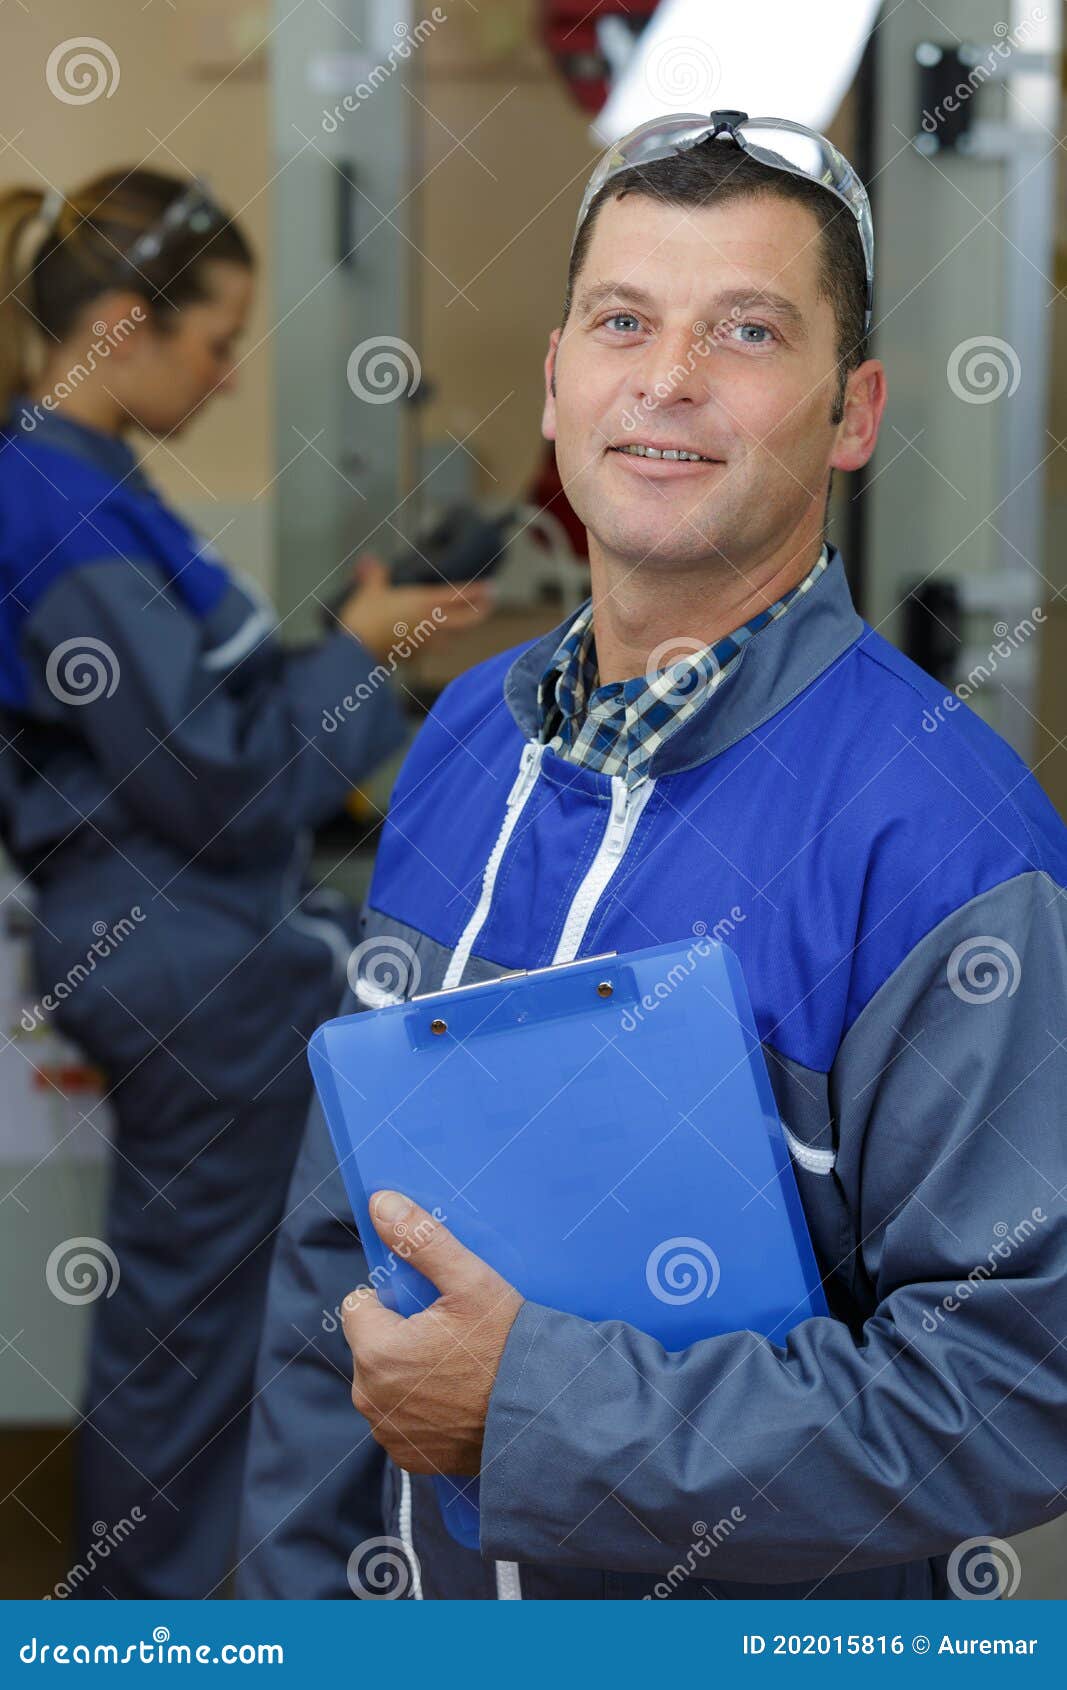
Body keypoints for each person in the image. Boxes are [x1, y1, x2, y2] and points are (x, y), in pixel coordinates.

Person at [236, 113, 1067, 1601]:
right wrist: (298, 1619)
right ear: (559, 377)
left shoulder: (949, 845)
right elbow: (334, 1252)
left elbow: (1014, 1385)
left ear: (855, 412)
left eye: (747, 331)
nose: (668, 378)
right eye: (625, 321)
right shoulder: (466, 746)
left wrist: (537, 1414)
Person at [0, 169, 488, 1598]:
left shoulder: (90, 483)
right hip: (178, 957)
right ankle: (151, 1623)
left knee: (203, 1318)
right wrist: (366, 655)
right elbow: (213, 782)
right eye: (214, 342)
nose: (225, 378)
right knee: (192, 1336)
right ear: (123, 325)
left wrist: (350, 641)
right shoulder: (52, 506)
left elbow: (205, 716)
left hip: (193, 943)